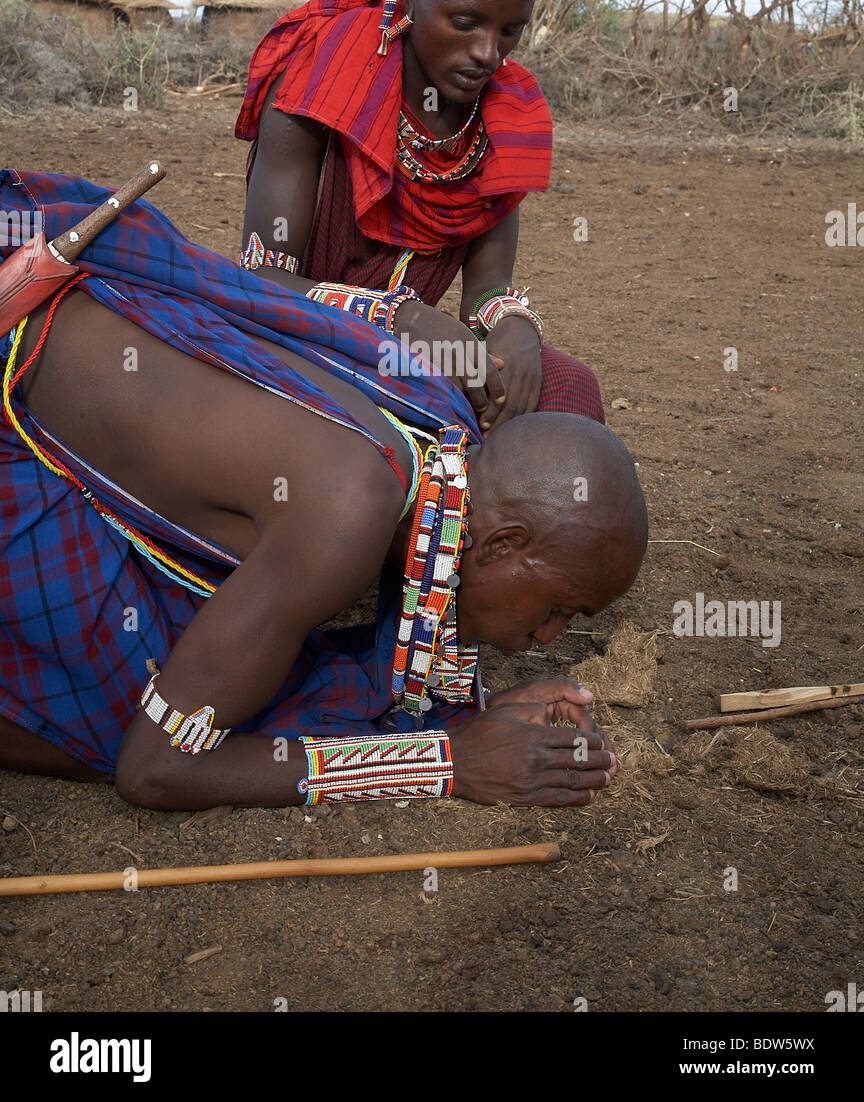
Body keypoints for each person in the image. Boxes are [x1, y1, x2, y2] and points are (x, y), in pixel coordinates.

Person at [0, 170, 646, 812]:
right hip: (16, 374)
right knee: (117, 710)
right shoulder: (349, 511)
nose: (546, 638)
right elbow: (155, 767)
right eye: (560, 608)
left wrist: (469, 714)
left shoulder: (437, 415)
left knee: (238, 667)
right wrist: (447, 763)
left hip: (58, 298)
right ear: (503, 542)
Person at [235, 0, 605, 437]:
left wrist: (514, 326)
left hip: (416, 359)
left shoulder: (503, 122)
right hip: (299, 347)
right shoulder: (321, 83)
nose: (488, 53)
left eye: (510, 30)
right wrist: (402, 319)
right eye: (466, 22)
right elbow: (261, 281)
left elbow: (484, 295)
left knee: (568, 387)